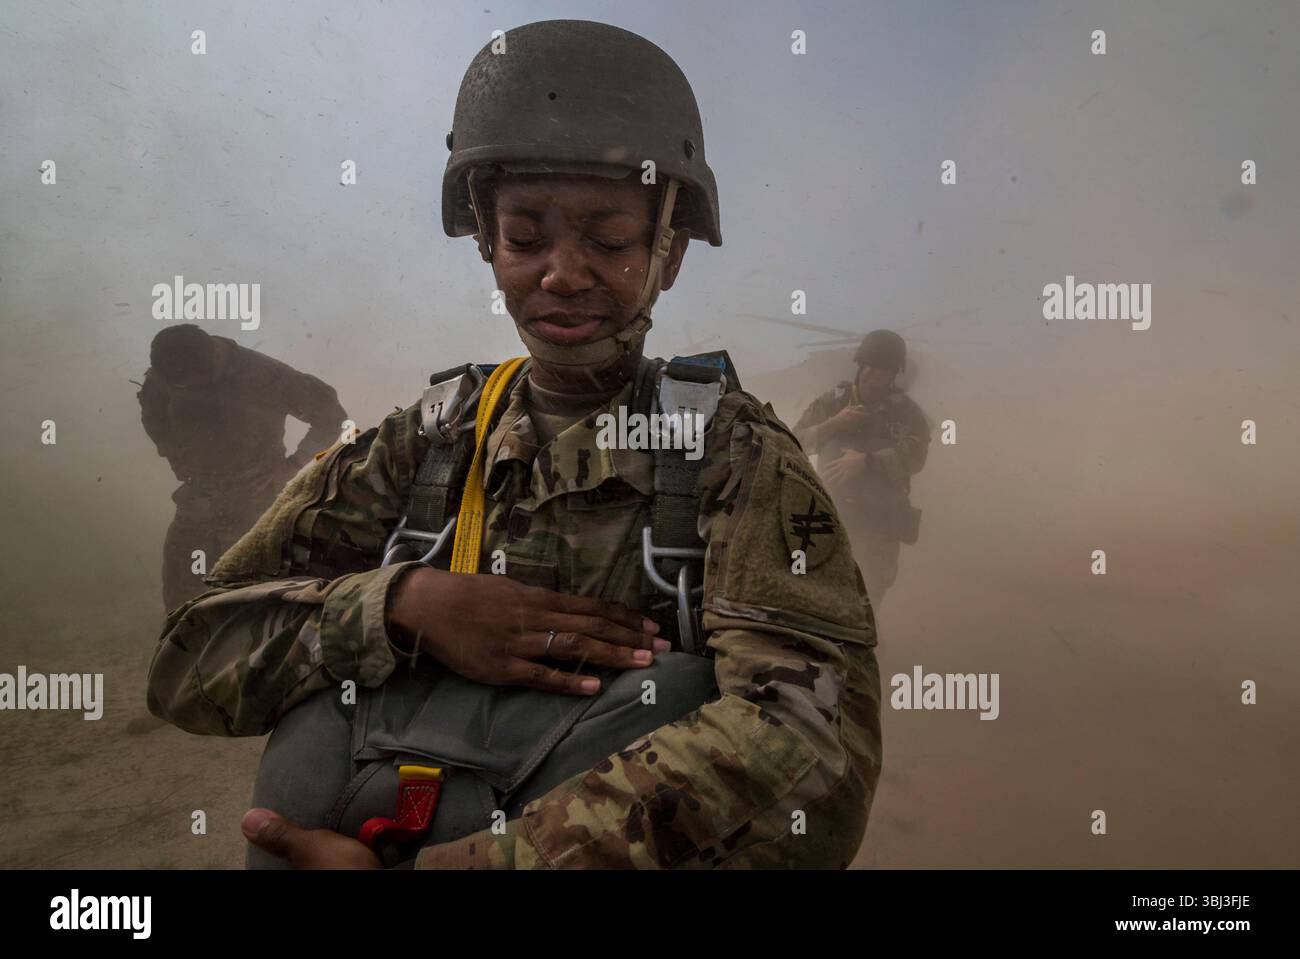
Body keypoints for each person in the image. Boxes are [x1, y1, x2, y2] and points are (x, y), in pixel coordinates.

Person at [146, 19, 883, 870]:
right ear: (488, 245)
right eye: (526, 235)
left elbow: (806, 745)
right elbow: (188, 660)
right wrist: (401, 608)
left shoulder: (734, 455)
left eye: (607, 238)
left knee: (677, 695)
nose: (562, 273)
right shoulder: (421, 442)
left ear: (668, 253)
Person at [138, 324, 348, 613]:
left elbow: (331, 417)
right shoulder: (167, 374)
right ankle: (188, 651)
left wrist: (294, 465)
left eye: (194, 383)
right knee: (182, 584)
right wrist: (173, 455)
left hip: (257, 495)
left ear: (214, 360)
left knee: (256, 586)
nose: (187, 390)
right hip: (199, 494)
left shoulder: (264, 376)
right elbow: (153, 413)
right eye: (180, 386)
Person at [794, 329, 931, 609]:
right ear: (860, 366)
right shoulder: (832, 402)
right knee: (816, 598)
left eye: (884, 374)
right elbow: (793, 442)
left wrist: (867, 461)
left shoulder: (906, 413)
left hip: (879, 524)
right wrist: (834, 424)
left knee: (865, 602)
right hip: (830, 517)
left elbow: (916, 457)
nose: (874, 380)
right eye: (870, 372)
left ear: (894, 375)